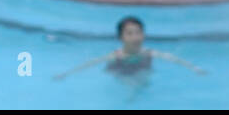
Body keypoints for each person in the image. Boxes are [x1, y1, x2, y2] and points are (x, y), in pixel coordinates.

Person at [55, 17, 206, 78]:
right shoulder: (116, 56)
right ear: (121, 38)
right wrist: (66, 74)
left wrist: (194, 68)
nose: (135, 37)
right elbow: (90, 64)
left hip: (141, 70)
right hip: (120, 71)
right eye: (130, 34)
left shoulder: (149, 53)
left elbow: (174, 59)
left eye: (138, 33)